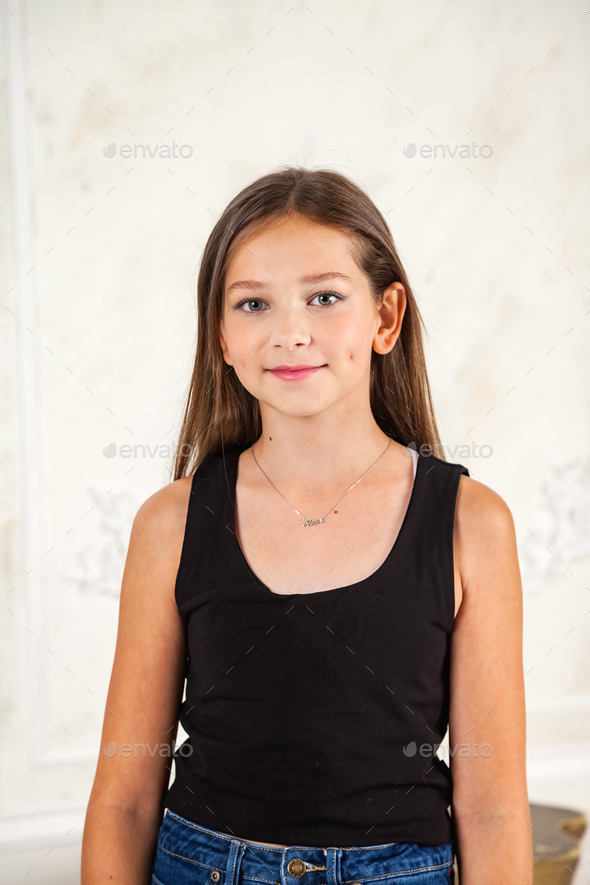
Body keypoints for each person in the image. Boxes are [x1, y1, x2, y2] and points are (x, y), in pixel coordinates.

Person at [81, 167, 532, 885]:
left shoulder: (472, 524)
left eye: (324, 297)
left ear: (385, 318)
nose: (290, 331)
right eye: (253, 303)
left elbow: (494, 809)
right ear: (221, 336)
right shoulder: (170, 524)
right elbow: (126, 802)